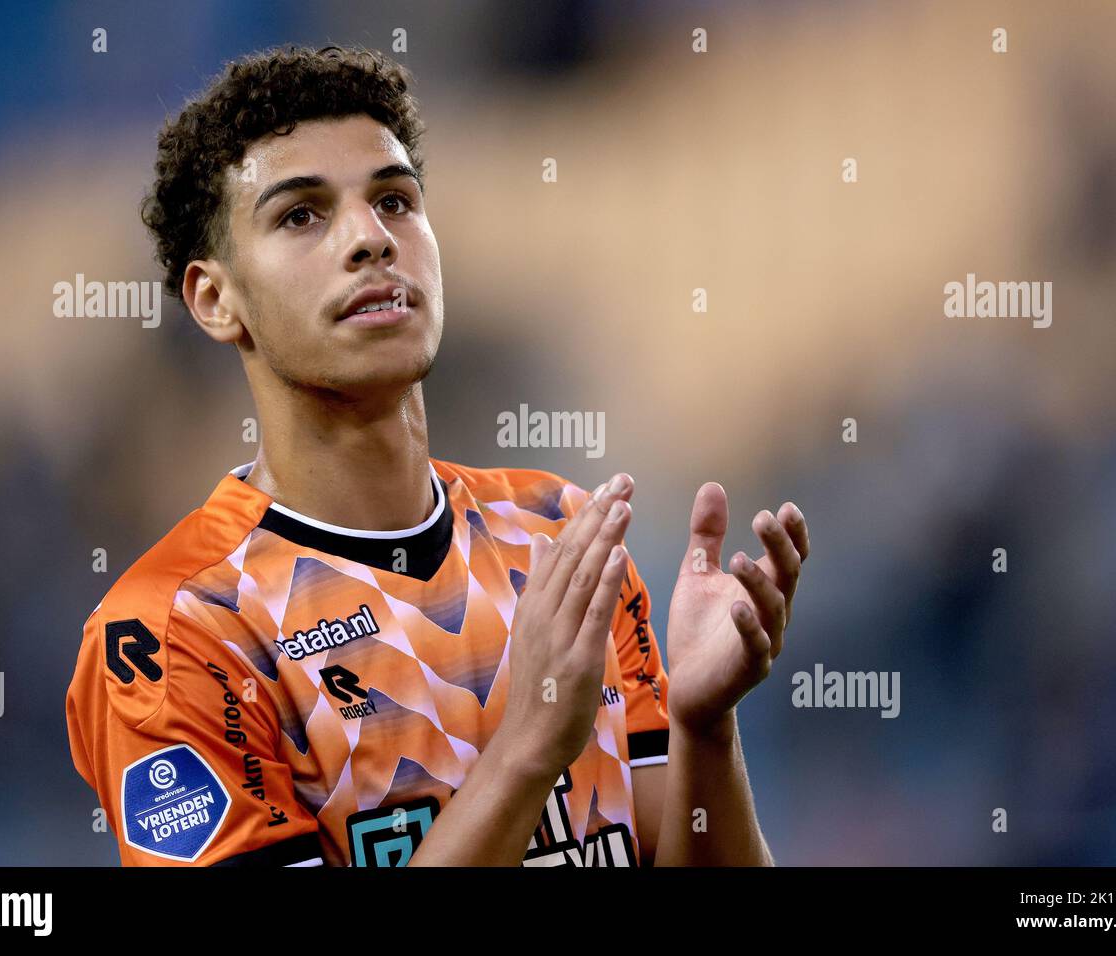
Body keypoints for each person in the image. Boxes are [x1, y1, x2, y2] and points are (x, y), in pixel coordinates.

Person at [65, 44, 810, 867]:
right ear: (215, 298)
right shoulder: (177, 628)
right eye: (300, 215)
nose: (369, 239)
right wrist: (528, 746)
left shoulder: (558, 533)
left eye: (394, 200)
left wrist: (704, 728)